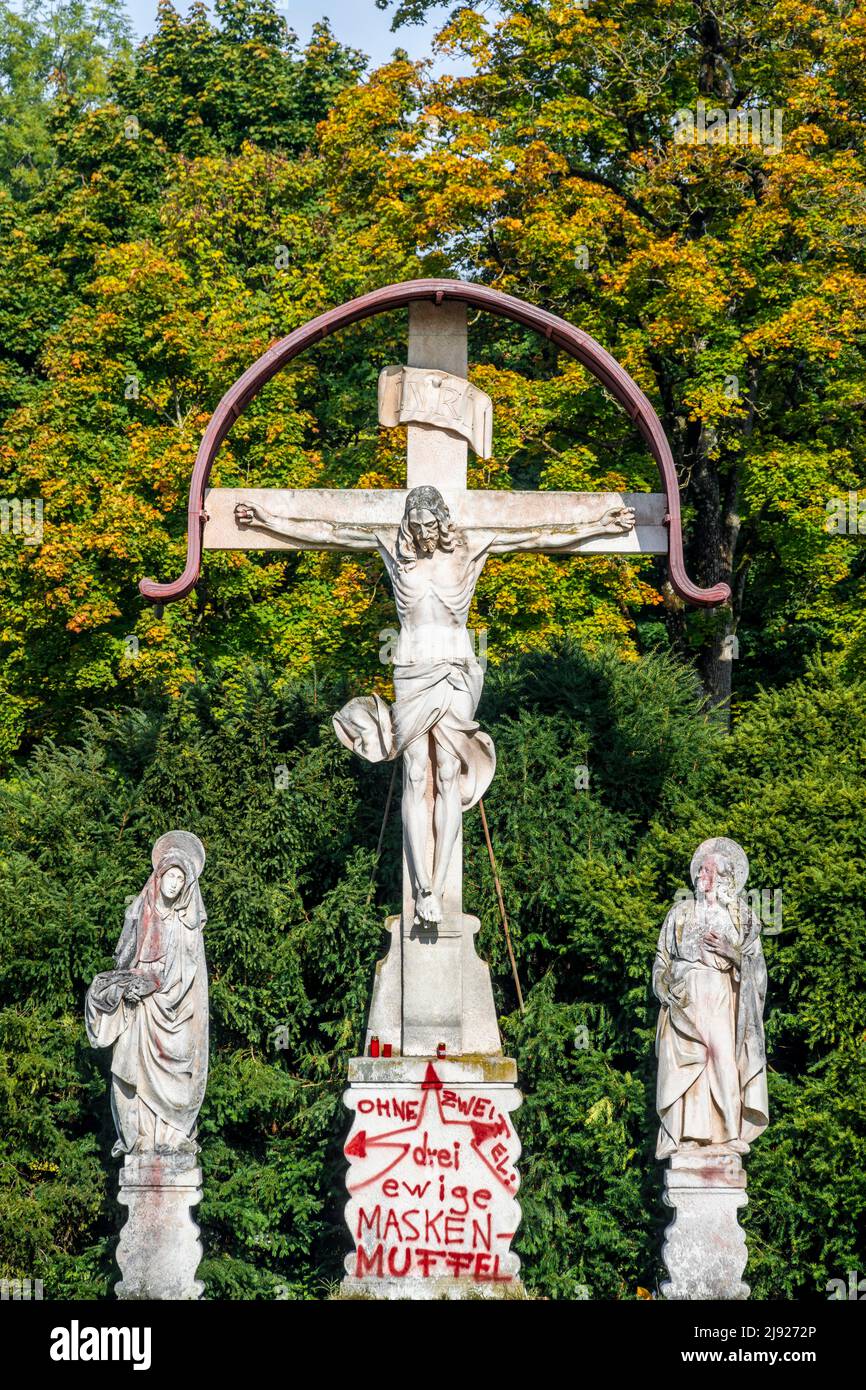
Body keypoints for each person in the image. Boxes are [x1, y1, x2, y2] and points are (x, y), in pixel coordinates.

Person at [85, 832, 208, 1157]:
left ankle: (173, 1136)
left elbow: (194, 977)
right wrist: (128, 987)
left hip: (177, 1012)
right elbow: (124, 960)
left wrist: (169, 988)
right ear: (160, 876)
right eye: (170, 875)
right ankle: (141, 1139)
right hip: (142, 1011)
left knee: (178, 1077)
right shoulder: (141, 912)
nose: (174, 883)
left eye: (181, 878)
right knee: (132, 1072)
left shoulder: (188, 925)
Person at [653, 837, 768, 1159]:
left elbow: (756, 970)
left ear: (725, 878)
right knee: (688, 1067)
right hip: (684, 1001)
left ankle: (730, 1133)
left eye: (708, 872)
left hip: (720, 998)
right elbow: (662, 960)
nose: (700, 877)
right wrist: (664, 988)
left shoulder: (741, 917)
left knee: (722, 1062)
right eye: (700, 871)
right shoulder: (679, 914)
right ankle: (686, 1135)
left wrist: (730, 953)